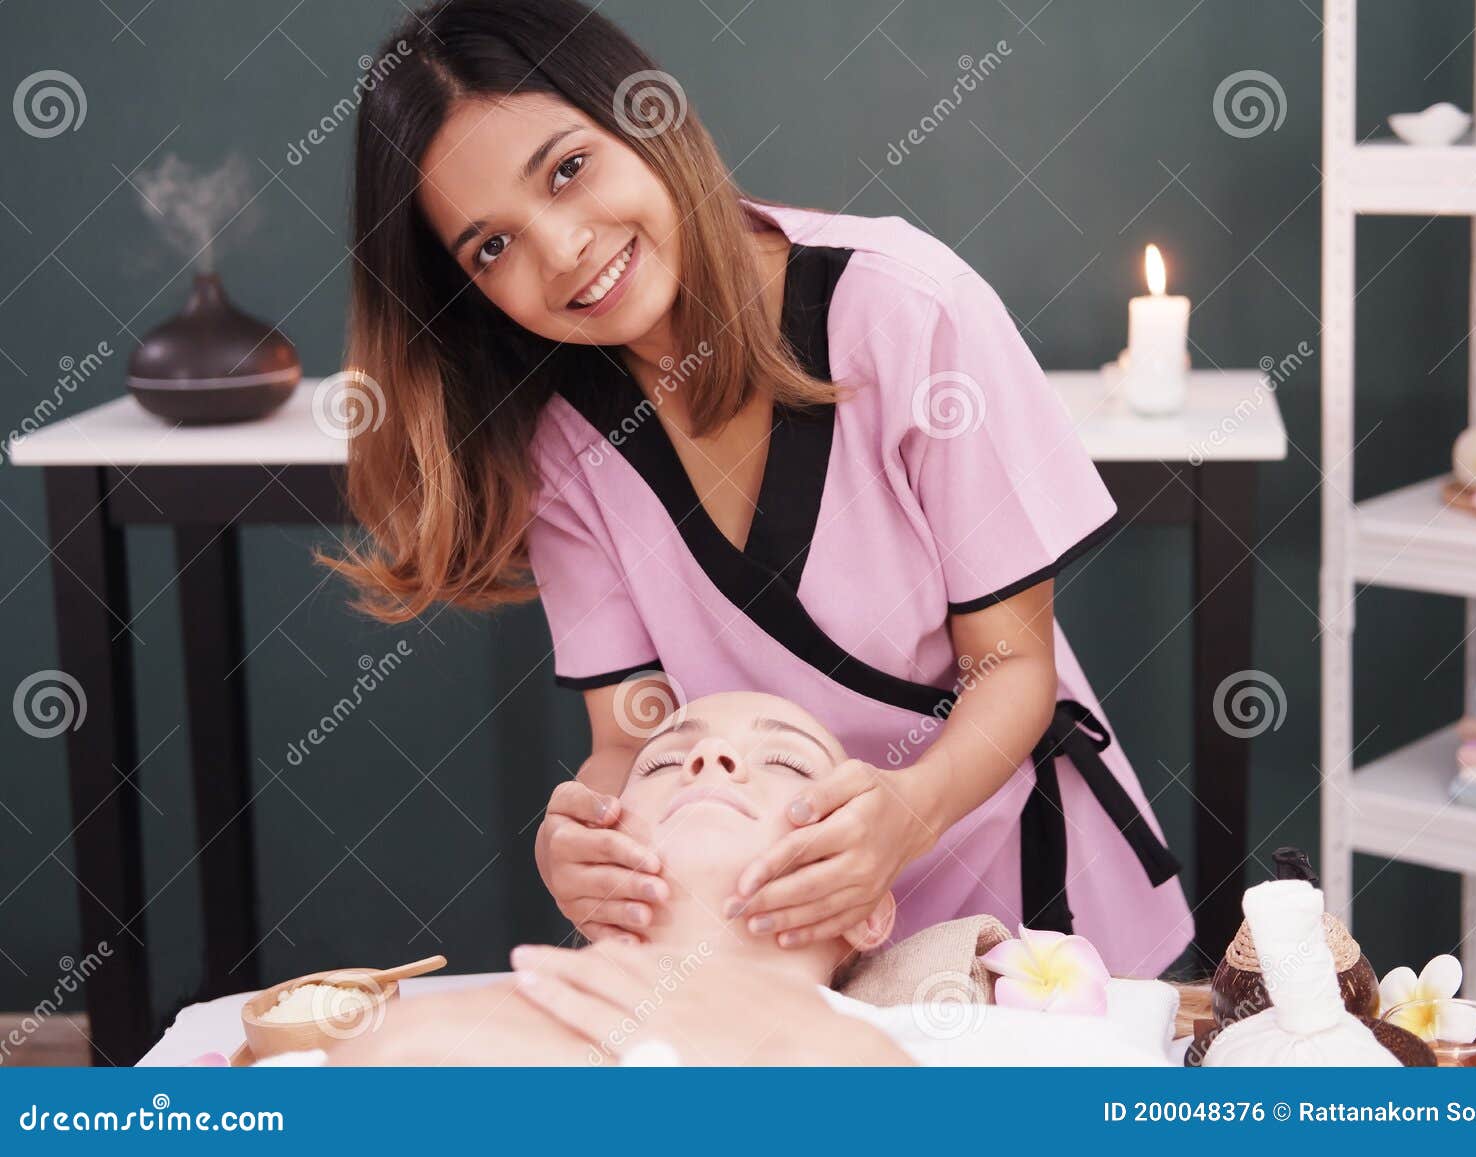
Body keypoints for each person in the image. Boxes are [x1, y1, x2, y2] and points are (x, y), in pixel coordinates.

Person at [331, 0, 1192, 976]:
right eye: (492, 246)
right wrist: (592, 832)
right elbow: (629, 729)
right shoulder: (561, 446)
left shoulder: (908, 310)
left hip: (1031, 917)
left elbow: (1013, 667)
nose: (561, 249)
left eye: (568, 169)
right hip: (776, 947)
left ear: (643, 118)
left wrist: (904, 813)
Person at [324, 693, 1169, 1067]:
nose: (708, 755)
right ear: (595, 874)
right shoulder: (443, 1041)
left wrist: (841, 1066)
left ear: (873, 911)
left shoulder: (944, 1051)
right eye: (661, 759)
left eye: (782, 758)